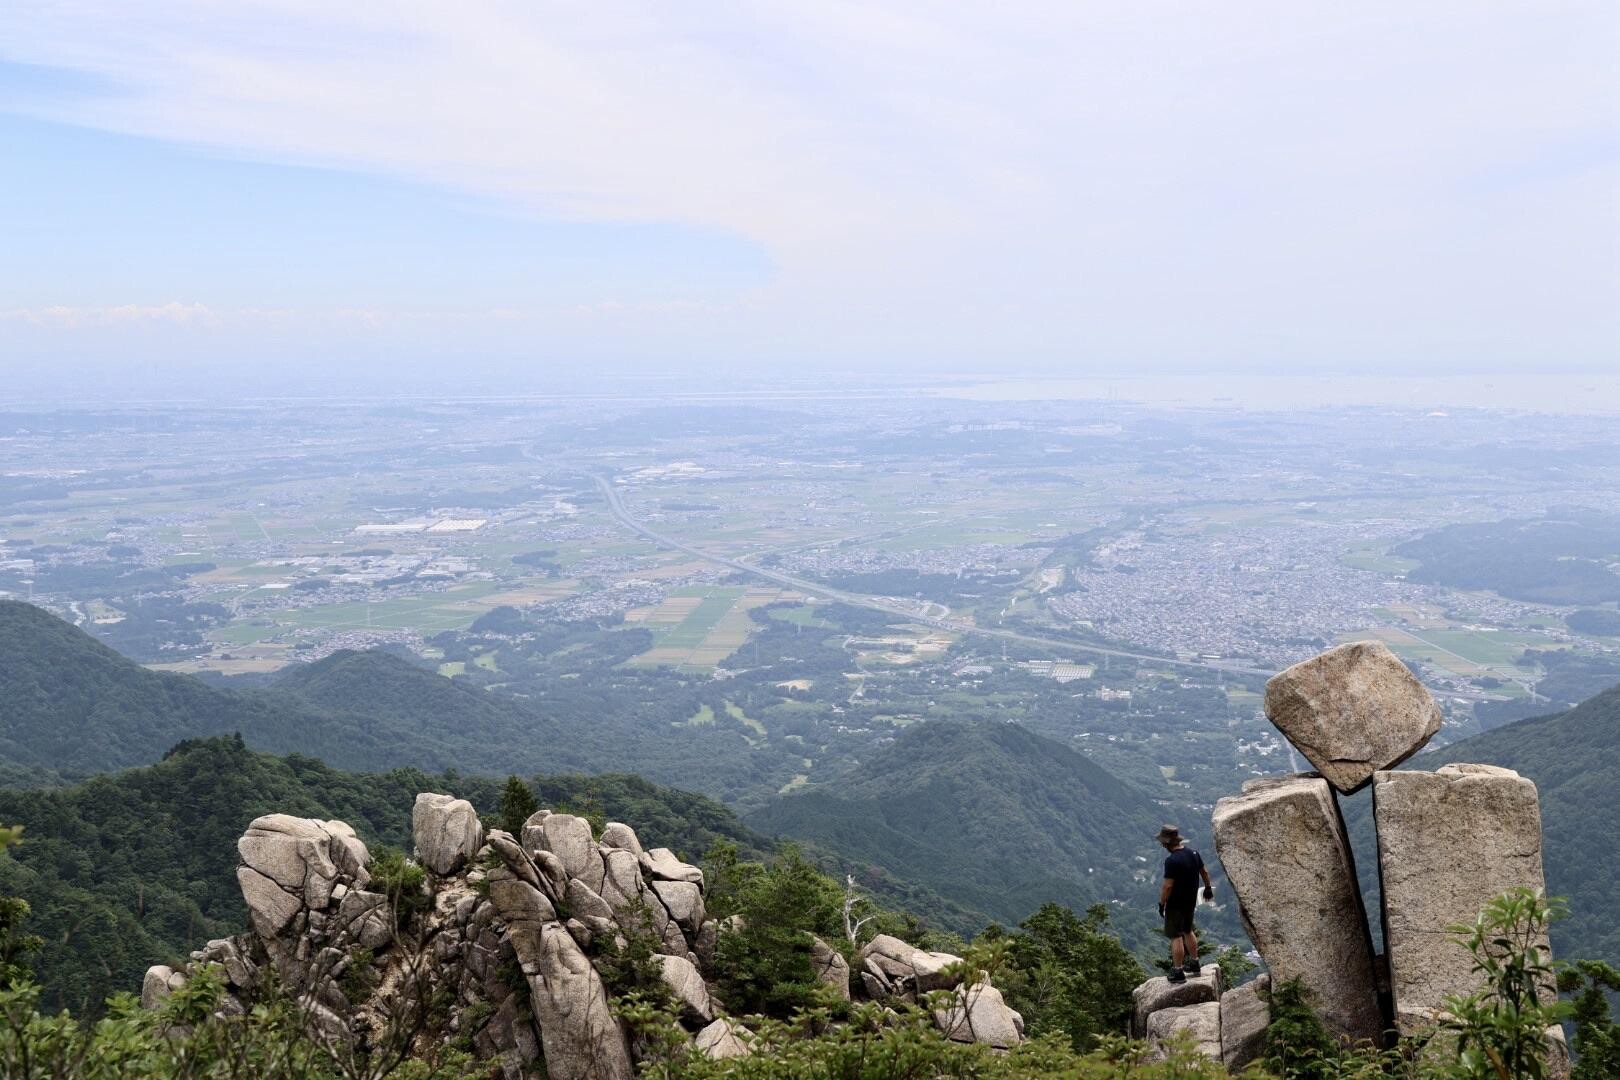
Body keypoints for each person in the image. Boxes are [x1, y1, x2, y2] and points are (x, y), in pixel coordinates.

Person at [1155, 824, 1214, 983]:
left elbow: (1167, 886)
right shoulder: (1193, 853)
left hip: (1175, 904)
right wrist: (1208, 887)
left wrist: (1162, 904)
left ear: (1167, 843)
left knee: (1176, 936)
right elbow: (1205, 872)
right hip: (1190, 901)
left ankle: (1178, 971)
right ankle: (1195, 963)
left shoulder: (1172, 860)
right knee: (1188, 930)